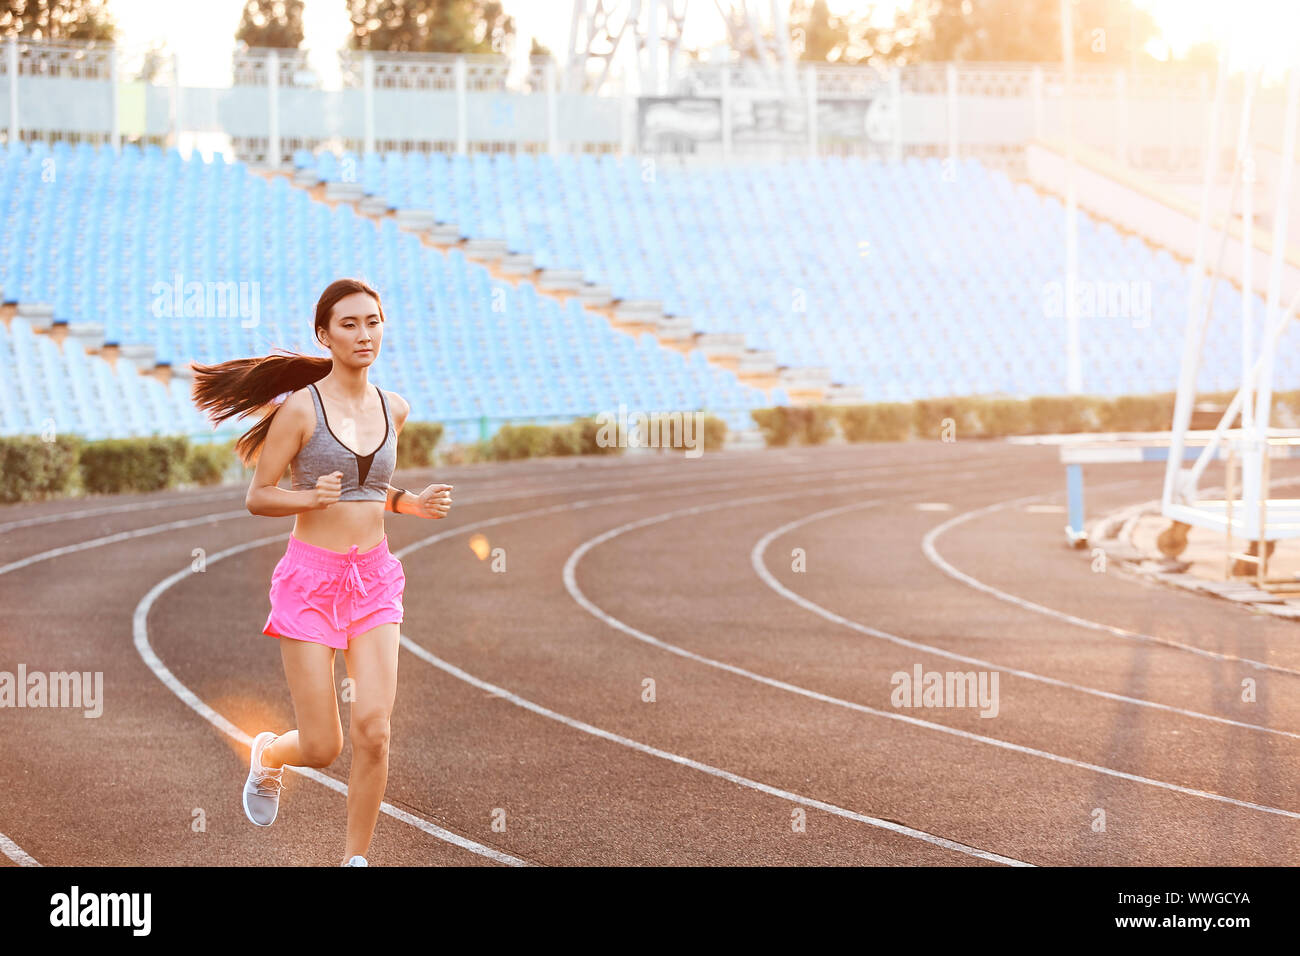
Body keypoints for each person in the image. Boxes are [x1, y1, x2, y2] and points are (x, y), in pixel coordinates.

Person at [191, 277, 453, 867]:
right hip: (310, 583)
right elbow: (259, 496)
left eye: (373, 322)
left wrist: (409, 502)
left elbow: (371, 490)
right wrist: (308, 500)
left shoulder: (396, 407)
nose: (364, 334)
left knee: (374, 732)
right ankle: (269, 757)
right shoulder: (300, 410)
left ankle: (354, 860)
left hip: (375, 581)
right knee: (322, 745)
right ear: (324, 335)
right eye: (350, 324)